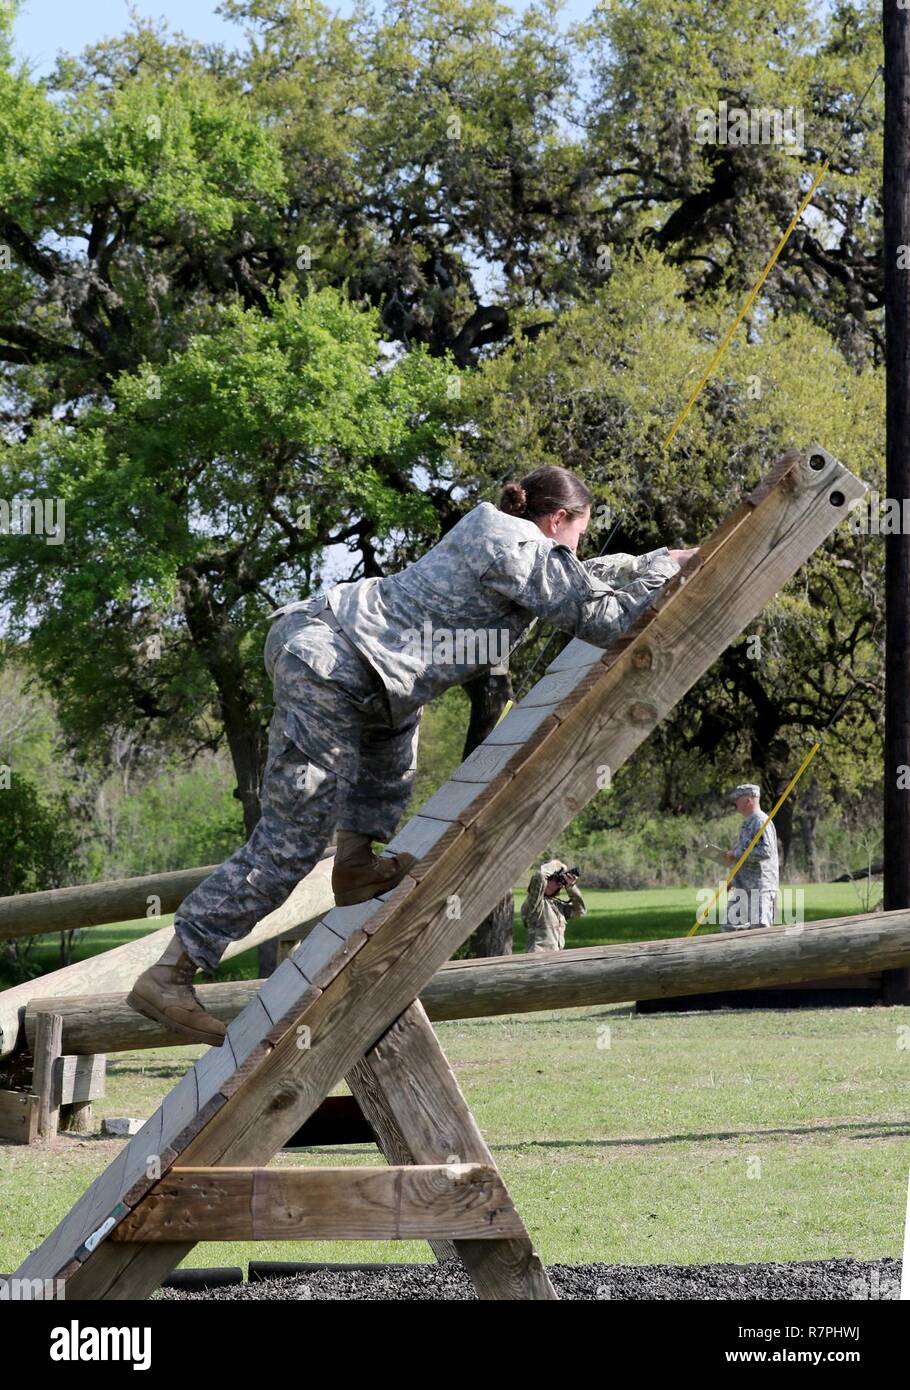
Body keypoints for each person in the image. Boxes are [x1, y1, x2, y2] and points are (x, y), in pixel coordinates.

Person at [127, 465, 698, 1044]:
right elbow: (605, 616)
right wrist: (660, 570)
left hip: (364, 670)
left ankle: (354, 867)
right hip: (331, 663)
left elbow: (578, 577)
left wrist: (662, 557)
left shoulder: (507, 538)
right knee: (291, 841)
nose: (577, 549)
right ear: (557, 521)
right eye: (579, 534)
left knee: (398, 737)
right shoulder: (517, 545)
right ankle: (171, 972)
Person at [705, 782, 779, 930]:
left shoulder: (760, 821)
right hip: (742, 886)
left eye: (737, 798)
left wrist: (735, 853)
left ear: (748, 800)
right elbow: (746, 857)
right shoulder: (748, 823)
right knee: (730, 928)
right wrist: (734, 879)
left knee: (759, 930)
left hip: (760, 888)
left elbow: (766, 852)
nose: (735, 802)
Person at [522, 859, 586, 952]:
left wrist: (570, 887)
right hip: (537, 958)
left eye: (558, 882)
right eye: (550, 879)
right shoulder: (534, 902)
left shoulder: (557, 905)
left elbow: (580, 911)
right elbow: (539, 876)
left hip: (555, 956)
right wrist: (554, 866)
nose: (553, 885)